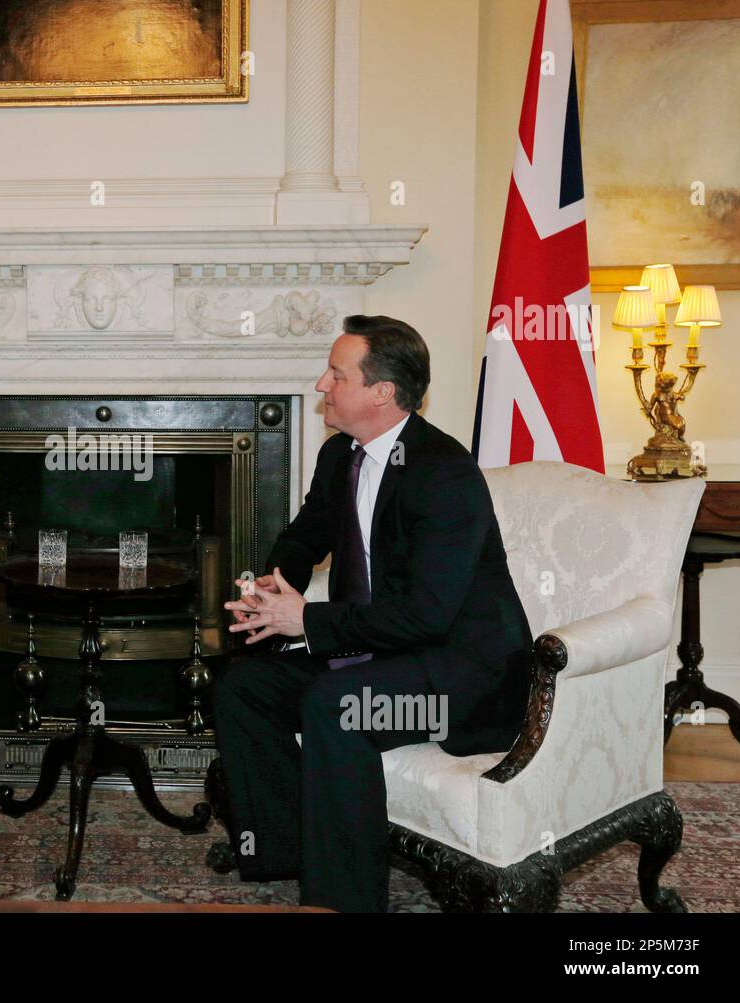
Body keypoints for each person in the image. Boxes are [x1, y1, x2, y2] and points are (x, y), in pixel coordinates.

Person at [216, 315, 532, 912]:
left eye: (336, 374)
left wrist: (305, 622)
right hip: (381, 650)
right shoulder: (343, 456)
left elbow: (427, 617)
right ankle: (288, 852)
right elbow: (306, 533)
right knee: (244, 686)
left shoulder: (444, 474)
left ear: (382, 392)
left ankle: (344, 901)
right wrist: (274, 585)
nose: (320, 385)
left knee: (339, 707)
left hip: (460, 675)